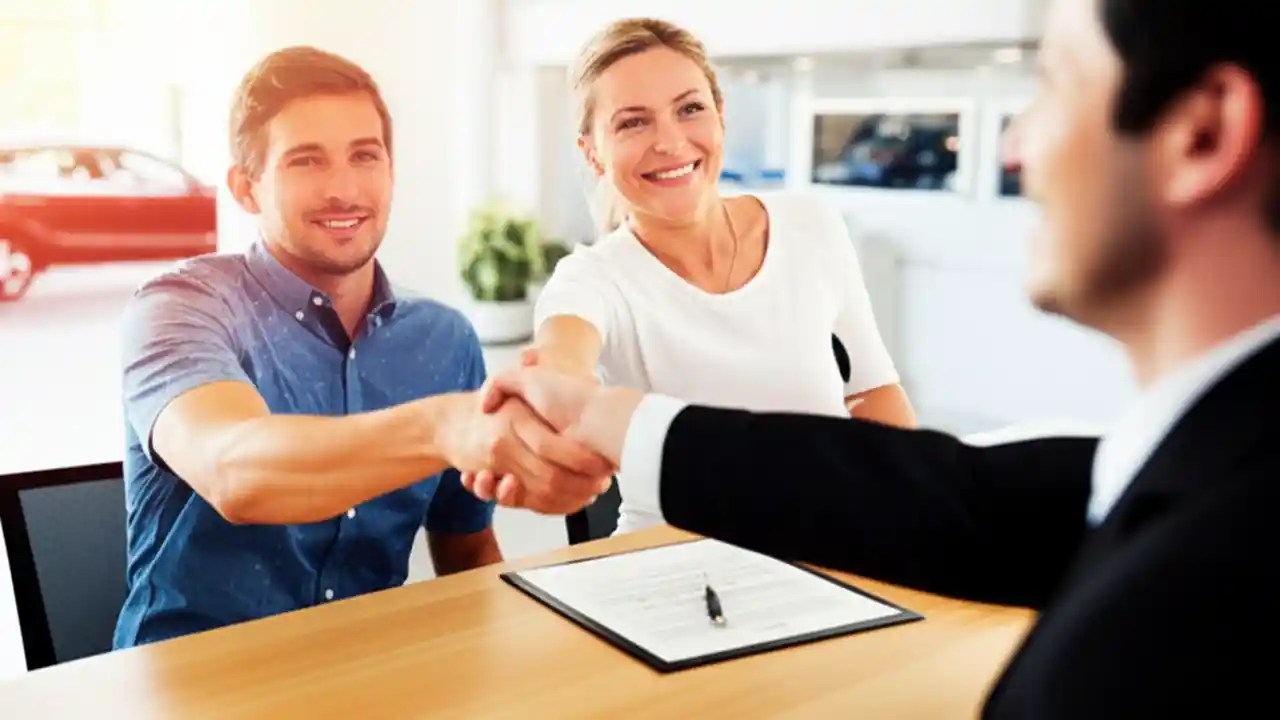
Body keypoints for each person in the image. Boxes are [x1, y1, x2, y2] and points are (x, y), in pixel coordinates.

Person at [466, 0, 1280, 714]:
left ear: (1203, 133)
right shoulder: (1165, 476)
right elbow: (964, 498)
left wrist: (610, 421)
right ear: (591, 149)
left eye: (1056, 85)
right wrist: (571, 405)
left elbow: (911, 455)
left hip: (819, 570)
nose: (1010, 146)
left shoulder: (1194, 570)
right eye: (633, 121)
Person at [113, 46, 611, 648]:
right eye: (306, 161)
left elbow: (468, 551)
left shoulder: (443, 340)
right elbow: (234, 471)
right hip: (192, 675)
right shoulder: (180, 306)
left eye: (365, 156)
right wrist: (444, 427)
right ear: (246, 188)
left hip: (370, 671)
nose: (344, 189)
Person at [528, 18, 916, 534]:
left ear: (720, 116)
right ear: (592, 153)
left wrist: (912, 520)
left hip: (826, 545)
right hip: (673, 559)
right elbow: (561, 364)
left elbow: (873, 392)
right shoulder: (591, 279)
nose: (670, 142)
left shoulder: (810, 224)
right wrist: (552, 393)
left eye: (690, 109)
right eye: (633, 123)